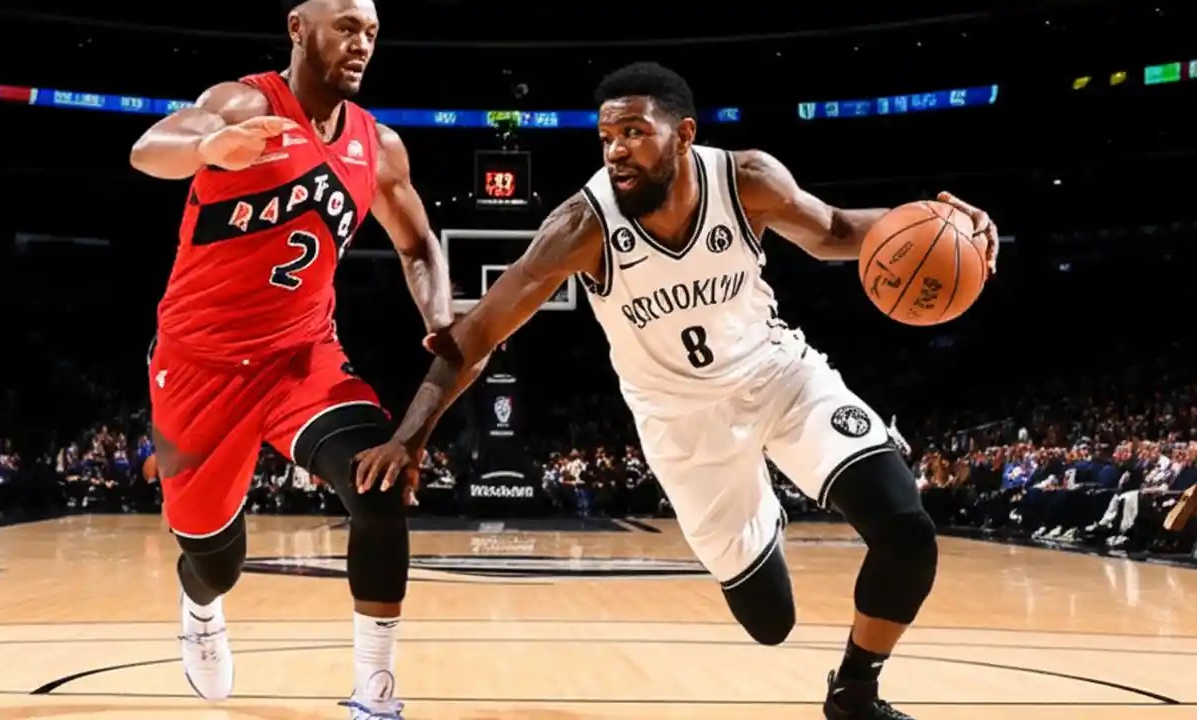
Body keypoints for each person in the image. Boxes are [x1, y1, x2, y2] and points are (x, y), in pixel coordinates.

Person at [355, 62, 999, 720]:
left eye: (634, 132)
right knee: (769, 622)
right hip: (683, 428)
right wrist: (410, 438)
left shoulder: (746, 179)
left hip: (779, 376)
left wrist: (937, 221)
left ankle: (855, 691)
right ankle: (760, 516)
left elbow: (834, 229)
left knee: (907, 533)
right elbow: (477, 333)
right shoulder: (584, 225)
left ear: (684, 134)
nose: (616, 150)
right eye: (606, 136)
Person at [128, 0, 451, 716]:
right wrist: (208, 152)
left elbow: (420, 243)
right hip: (198, 367)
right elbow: (148, 149)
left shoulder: (380, 145)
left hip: (304, 359)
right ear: (298, 28)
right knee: (217, 561)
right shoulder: (243, 102)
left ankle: (376, 690)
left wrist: (439, 318)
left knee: (379, 484)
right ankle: (200, 611)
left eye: (370, 31)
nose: (361, 43)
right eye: (345, 27)